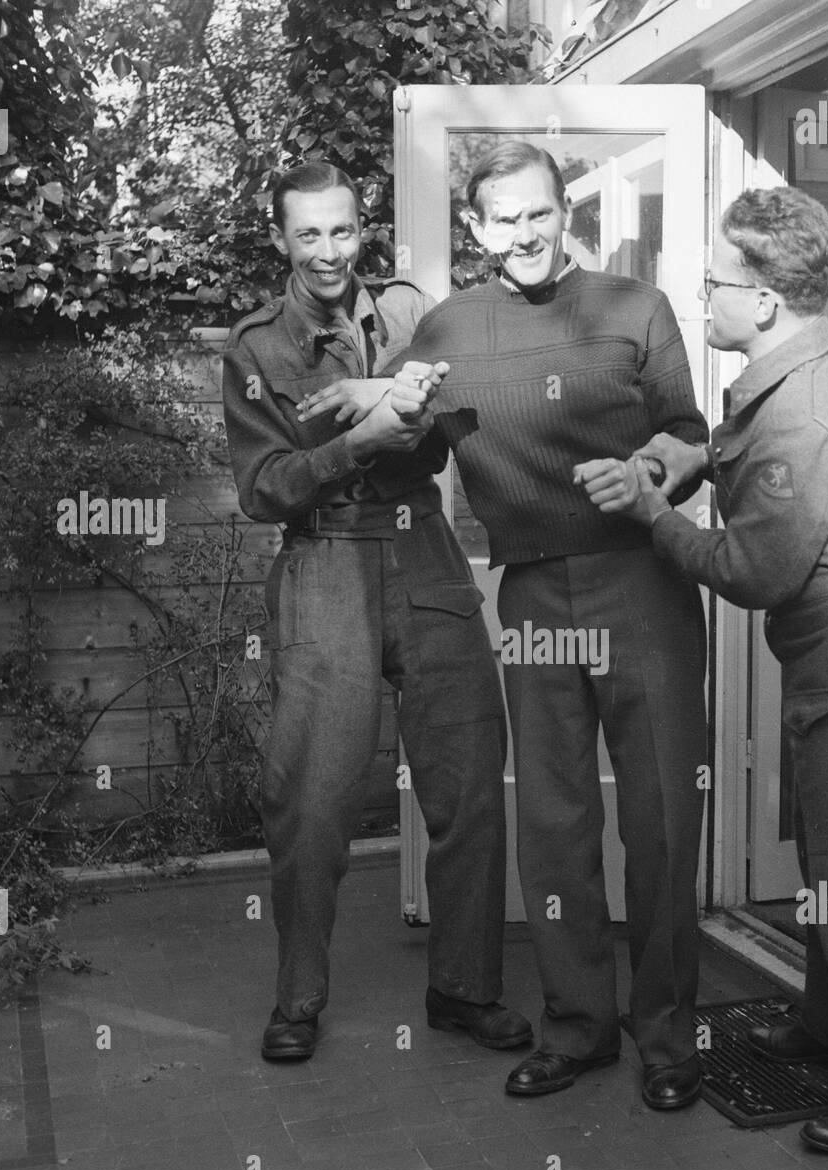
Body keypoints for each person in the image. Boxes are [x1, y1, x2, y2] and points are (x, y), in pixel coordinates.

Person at [579, 185, 828, 1154]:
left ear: (764, 300)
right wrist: (691, 464)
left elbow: (752, 572)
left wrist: (652, 515)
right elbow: (746, 448)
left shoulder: (801, 417)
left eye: (714, 281)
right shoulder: (811, 357)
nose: (702, 296)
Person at [360, 142, 709, 1108]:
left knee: (662, 817)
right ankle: (580, 1026)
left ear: (567, 214)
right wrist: (389, 413)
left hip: (642, 582)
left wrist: (650, 473)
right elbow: (394, 456)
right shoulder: (447, 327)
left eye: (538, 214)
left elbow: (692, 433)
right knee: (555, 819)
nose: (522, 233)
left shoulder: (635, 308)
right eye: (501, 218)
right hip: (531, 594)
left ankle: (670, 1036)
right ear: (475, 228)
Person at [221, 161, 530, 1062]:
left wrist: (417, 406)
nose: (327, 252)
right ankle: (298, 998)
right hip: (324, 558)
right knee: (312, 799)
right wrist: (355, 443)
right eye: (307, 234)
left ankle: (465, 989)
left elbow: (465, 422)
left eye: (343, 232)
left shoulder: (411, 313)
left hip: (425, 550)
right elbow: (262, 489)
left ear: (365, 232)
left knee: (470, 781)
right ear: (281, 239)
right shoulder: (256, 348)